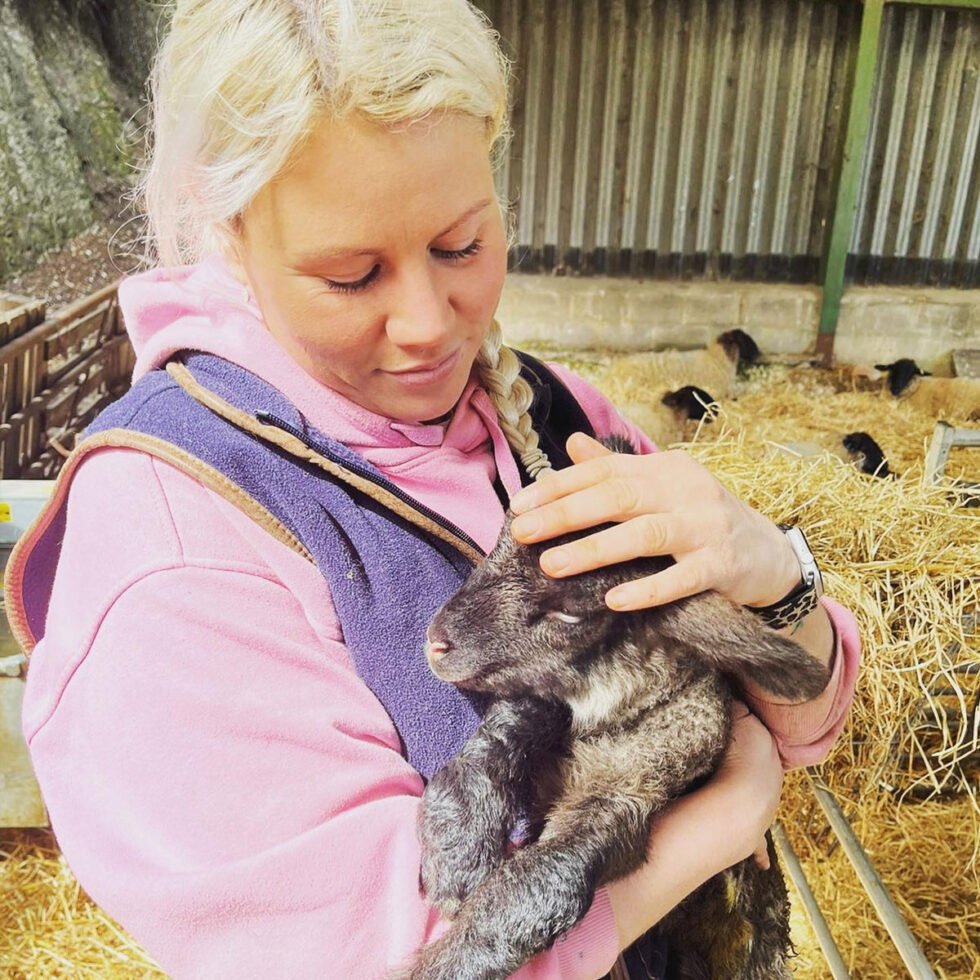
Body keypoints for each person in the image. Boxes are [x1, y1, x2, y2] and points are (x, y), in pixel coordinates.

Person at [8, 2, 860, 978]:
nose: (425, 324)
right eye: (349, 273)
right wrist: (702, 835)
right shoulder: (175, 536)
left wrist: (773, 579)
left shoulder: (545, 412)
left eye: (459, 245)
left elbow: (806, 708)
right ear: (231, 232)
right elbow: (382, 958)